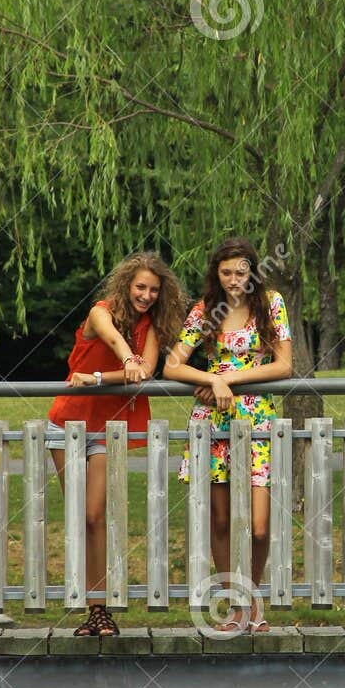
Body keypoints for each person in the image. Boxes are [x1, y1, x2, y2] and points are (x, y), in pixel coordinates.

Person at [48, 251, 187, 637]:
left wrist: (94, 377)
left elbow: (142, 374)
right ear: (127, 284)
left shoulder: (152, 328)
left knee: (95, 514)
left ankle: (100, 608)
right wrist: (125, 361)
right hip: (67, 422)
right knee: (79, 516)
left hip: (108, 428)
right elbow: (114, 341)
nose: (146, 295)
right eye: (140, 286)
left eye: (154, 290)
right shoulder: (100, 310)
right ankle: (88, 607)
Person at [164, 237, 293, 633]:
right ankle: (234, 604)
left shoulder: (270, 303)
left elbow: (284, 366)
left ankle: (254, 599)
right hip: (213, 418)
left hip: (256, 417)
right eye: (226, 272)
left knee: (258, 524)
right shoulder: (205, 310)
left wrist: (230, 379)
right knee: (219, 520)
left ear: (252, 271)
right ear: (215, 274)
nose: (234, 279)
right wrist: (211, 380)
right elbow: (172, 366)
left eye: (241, 271)